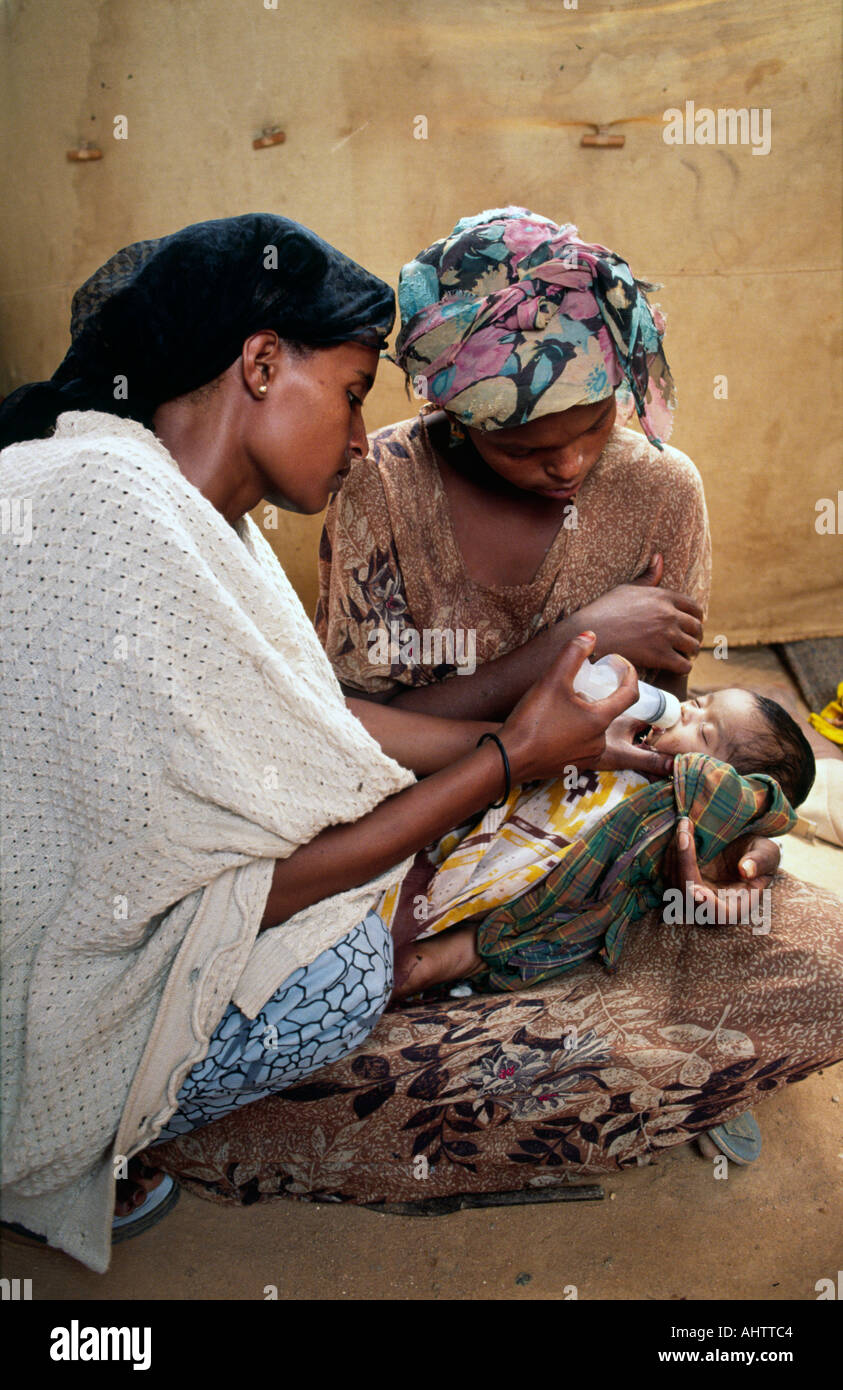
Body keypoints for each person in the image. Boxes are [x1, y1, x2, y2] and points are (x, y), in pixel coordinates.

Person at [0, 214, 653, 1272]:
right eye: (352, 393)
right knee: (347, 966)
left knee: (394, 869)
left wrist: (530, 736)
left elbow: (317, 723)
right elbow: (257, 883)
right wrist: (507, 759)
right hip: (38, 986)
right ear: (262, 364)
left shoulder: (197, 515)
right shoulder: (122, 506)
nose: (360, 438)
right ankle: (70, 1121)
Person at [316, 206, 812, 1168]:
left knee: (799, 949)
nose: (571, 463)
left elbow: (664, 745)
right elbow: (356, 734)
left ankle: (529, 1031)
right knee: (307, 952)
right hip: (420, 820)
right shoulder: (379, 482)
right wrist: (562, 650)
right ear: (452, 416)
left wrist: (725, 853)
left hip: (583, 848)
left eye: (593, 425)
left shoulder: (664, 488)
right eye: (525, 449)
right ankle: (588, 1053)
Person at [387, 689, 816, 998]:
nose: (683, 710)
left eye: (704, 733)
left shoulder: (677, 809)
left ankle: (439, 961)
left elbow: (755, 804)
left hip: (543, 896)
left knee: (460, 949)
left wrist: (759, 837)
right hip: (496, 835)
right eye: (700, 702)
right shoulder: (627, 736)